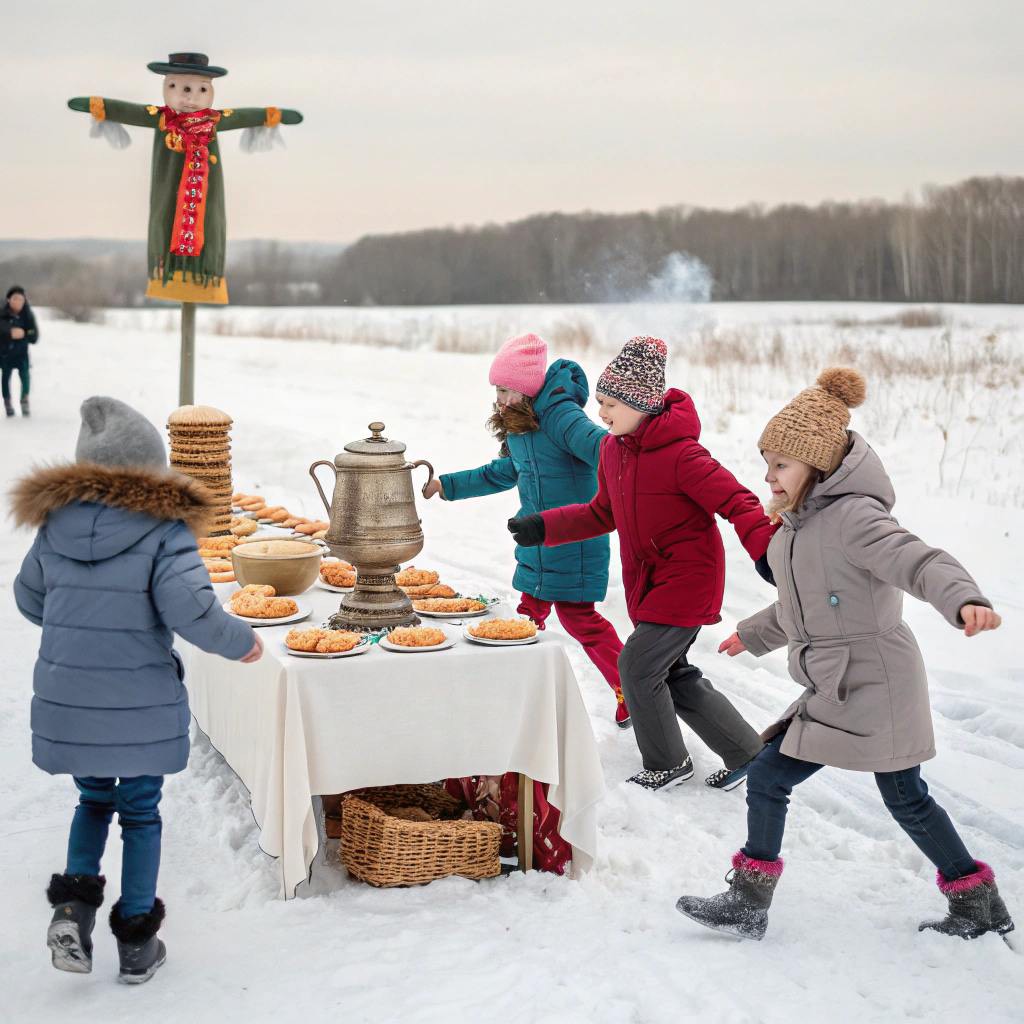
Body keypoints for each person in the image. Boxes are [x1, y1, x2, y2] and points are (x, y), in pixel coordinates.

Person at [675, 368, 1014, 942]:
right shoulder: (790, 532)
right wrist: (754, 633)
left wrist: (964, 601)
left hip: (879, 685)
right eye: (767, 460)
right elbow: (801, 608)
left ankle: (977, 903)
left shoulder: (856, 517)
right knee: (767, 775)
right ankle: (748, 899)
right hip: (830, 685)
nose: (769, 475)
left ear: (818, 466)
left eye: (781, 463)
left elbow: (921, 561)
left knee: (906, 799)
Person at [13, 396, 263, 983]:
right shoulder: (163, 530)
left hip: (69, 697)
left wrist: (80, 621)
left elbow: (29, 599)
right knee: (142, 814)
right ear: (150, 469)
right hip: (141, 701)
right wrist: (242, 643)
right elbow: (194, 613)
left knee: (92, 800)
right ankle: (135, 943)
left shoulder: (55, 525)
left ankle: (72, 908)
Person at [510, 336, 775, 792]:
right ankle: (747, 753)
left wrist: (765, 550)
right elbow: (601, 513)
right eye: (600, 403)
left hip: (688, 579)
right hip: (648, 581)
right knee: (672, 672)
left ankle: (667, 761)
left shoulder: (683, 456)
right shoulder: (614, 451)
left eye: (610, 404)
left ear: (642, 405)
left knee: (636, 664)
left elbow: (739, 501)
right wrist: (544, 527)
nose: (602, 414)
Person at [426, 332, 630, 727]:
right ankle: (512, 695)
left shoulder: (561, 416)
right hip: (537, 540)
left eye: (506, 390)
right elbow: (504, 472)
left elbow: (608, 451)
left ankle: (630, 691)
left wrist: (632, 491)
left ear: (528, 387)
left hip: (576, 540)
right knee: (525, 618)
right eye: (497, 391)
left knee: (579, 619)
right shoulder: (523, 424)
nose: (499, 399)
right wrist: (447, 485)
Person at [1, 285, 39, 417]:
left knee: (25, 377)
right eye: (15, 299)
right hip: (5, 353)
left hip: (22, 354)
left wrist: (24, 333)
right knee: (6, 377)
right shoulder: (2, 314)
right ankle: (7, 403)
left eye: (21, 299)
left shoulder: (27, 315)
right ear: (8, 300)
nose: (18, 302)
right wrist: (9, 333)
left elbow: (34, 336)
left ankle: (24, 400)